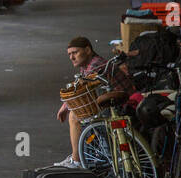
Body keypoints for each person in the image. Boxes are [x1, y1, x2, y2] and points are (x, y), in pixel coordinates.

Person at [54, 36, 136, 168]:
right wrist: (66, 105)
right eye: (69, 54)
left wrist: (66, 107)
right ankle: (82, 155)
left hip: (121, 103)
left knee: (74, 116)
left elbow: (80, 90)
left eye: (75, 52)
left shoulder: (96, 64)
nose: (71, 57)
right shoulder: (87, 65)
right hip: (114, 100)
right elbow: (79, 87)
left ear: (87, 50)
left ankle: (76, 160)